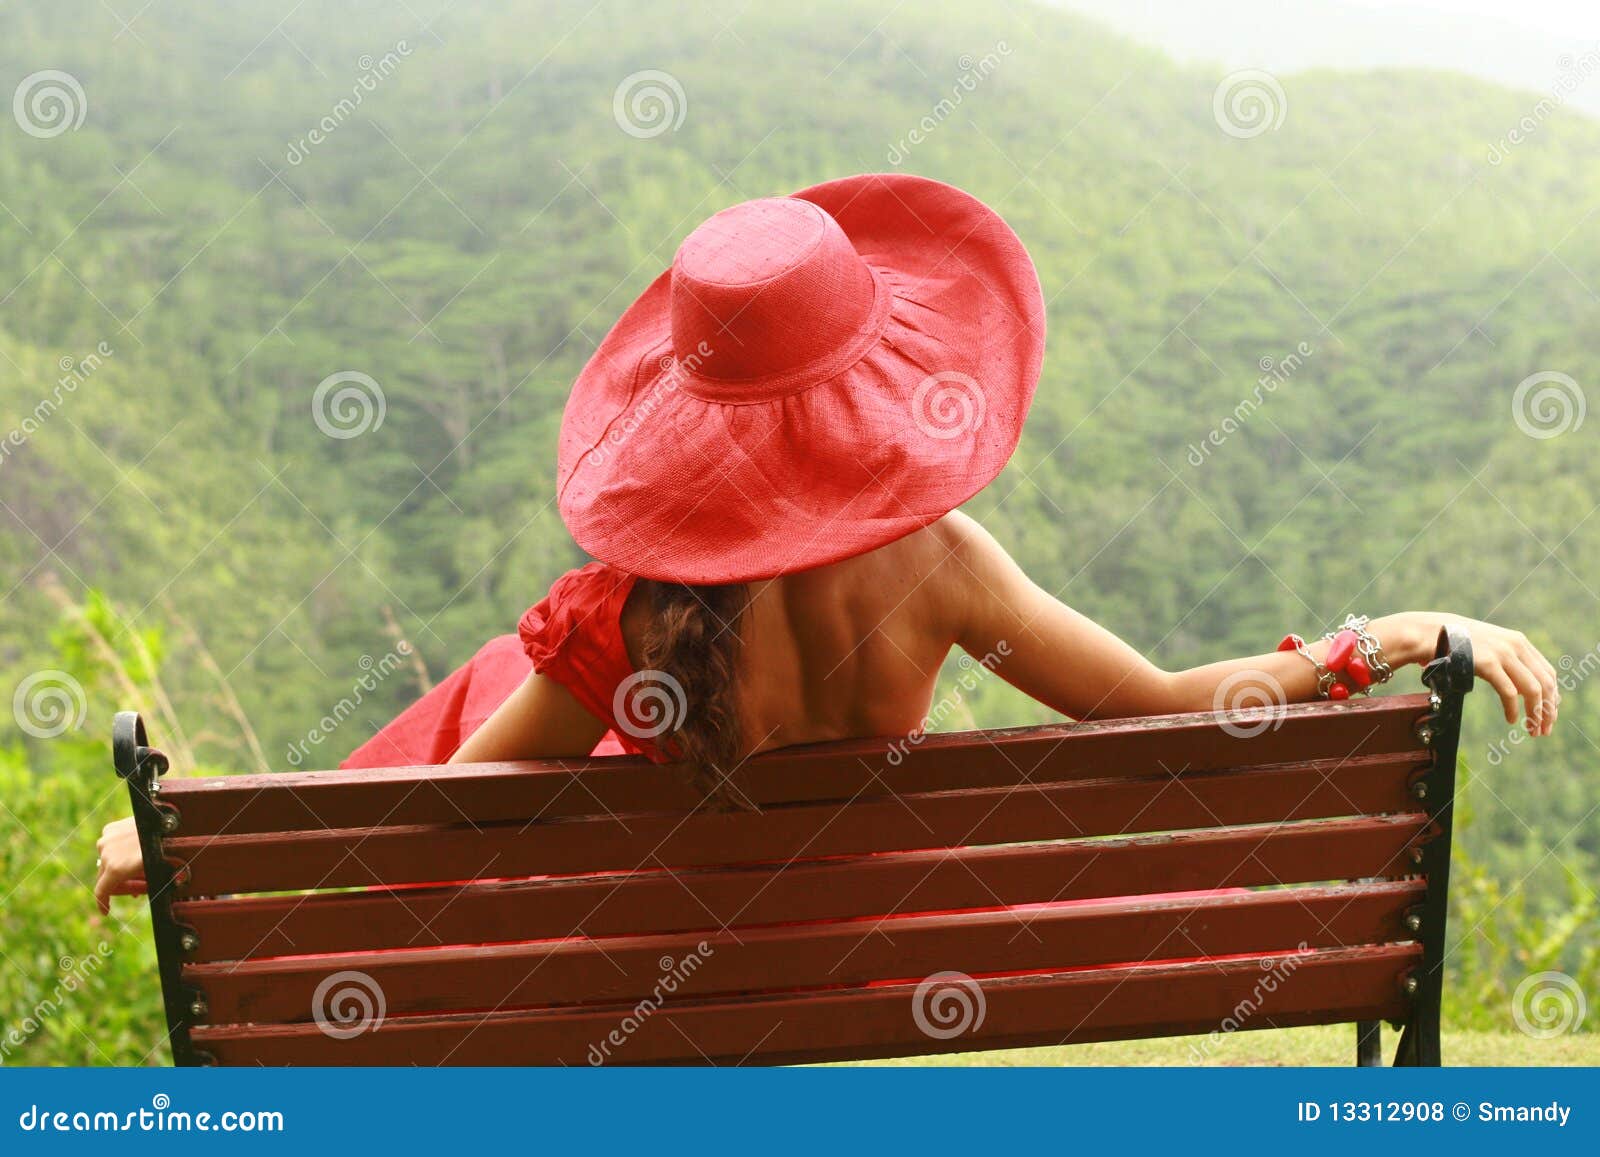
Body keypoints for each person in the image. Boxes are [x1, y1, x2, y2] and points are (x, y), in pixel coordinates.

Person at [94, 173, 1559, 911]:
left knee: (493, 675)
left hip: (626, 952)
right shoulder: (941, 571)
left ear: (688, 412)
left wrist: (197, 843)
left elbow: (442, 817)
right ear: (871, 376)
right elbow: (1169, 717)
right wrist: (1393, 636)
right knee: (502, 672)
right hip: (830, 945)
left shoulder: (630, 611)